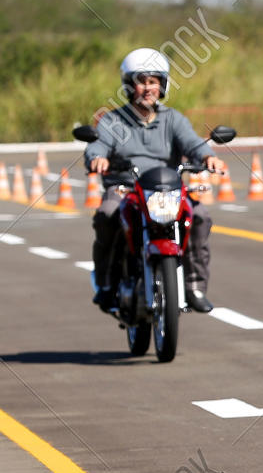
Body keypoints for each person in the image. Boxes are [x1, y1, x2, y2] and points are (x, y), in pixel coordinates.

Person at [84, 47, 220, 315]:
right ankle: (107, 285)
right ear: (128, 85)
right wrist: (97, 157)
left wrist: (207, 156)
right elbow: (98, 144)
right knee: (106, 214)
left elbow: (193, 143)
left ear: (162, 86)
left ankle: (194, 287)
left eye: (153, 82)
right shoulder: (113, 120)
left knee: (201, 217)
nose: (148, 88)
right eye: (141, 81)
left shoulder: (173, 119)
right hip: (126, 189)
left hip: (168, 190)